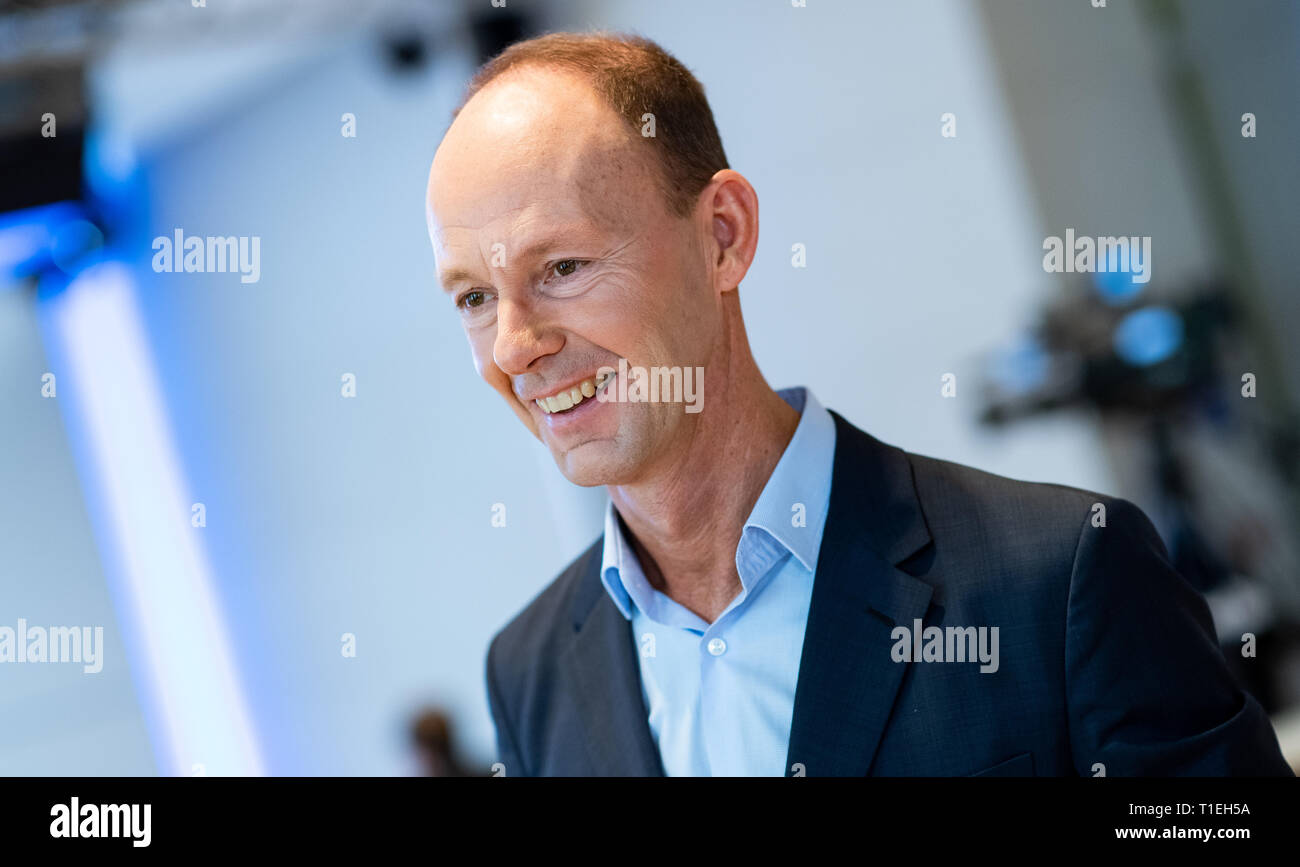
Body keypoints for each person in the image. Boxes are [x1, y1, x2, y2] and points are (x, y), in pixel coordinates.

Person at [423, 32, 1293, 776]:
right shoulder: (531, 673)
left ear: (722, 235)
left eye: (562, 267)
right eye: (474, 297)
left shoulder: (1062, 582)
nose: (513, 344)